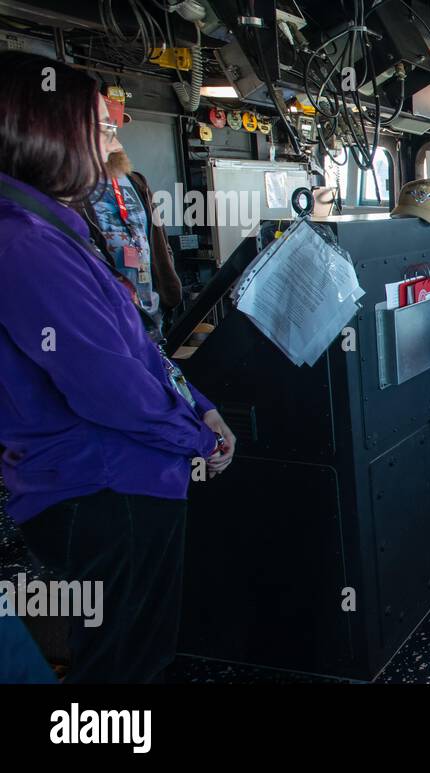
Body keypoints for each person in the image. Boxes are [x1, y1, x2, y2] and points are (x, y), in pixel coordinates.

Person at [0, 51, 236, 683]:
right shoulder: (25, 244)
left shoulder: (52, 228)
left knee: (138, 655)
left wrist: (200, 401)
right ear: (42, 131)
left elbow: (133, 343)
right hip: (102, 486)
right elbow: (106, 386)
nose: (110, 138)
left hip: (121, 477)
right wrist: (197, 435)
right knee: (123, 666)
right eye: (96, 125)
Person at [79, 137, 183, 339]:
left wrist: (167, 280)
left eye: (114, 129)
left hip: (153, 311)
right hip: (111, 315)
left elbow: (159, 239)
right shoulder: (73, 189)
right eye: (105, 130)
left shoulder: (136, 181)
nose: (115, 139)